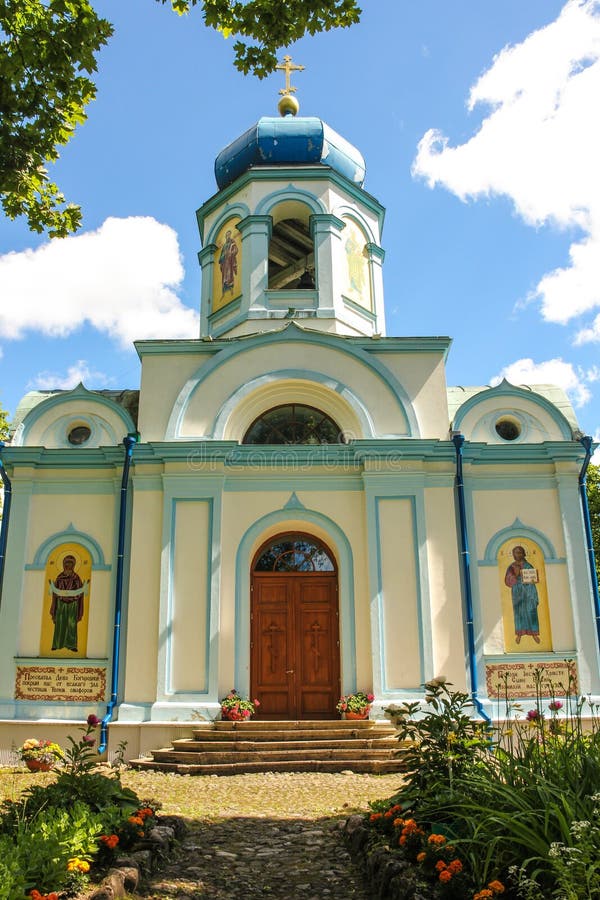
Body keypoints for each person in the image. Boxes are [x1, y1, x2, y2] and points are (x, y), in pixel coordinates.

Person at [49, 555, 87, 652]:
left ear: (73, 565)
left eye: (70, 563)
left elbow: (80, 591)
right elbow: (55, 591)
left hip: (72, 604)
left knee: (71, 624)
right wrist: (59, 594)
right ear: (63, 564)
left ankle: (71, 645)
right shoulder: (59, 577)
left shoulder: (76, 578)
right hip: (61, 603)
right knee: (60, 623)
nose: (68, 565)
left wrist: (74, 596)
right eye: (67, 563)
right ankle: (58, 643)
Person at [504, 545, 540, 644]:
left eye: (519, 552)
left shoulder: (528, 566)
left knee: (531, 611)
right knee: (519, 612)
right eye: (515, 553)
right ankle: (519, 634)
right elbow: (507, 581)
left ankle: (534, 633)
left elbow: (532, 578)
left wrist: (528, 577)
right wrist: (515, 575)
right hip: (517, 592)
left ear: (523, 554)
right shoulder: (511, 567)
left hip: (529, 591)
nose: (517, 555)